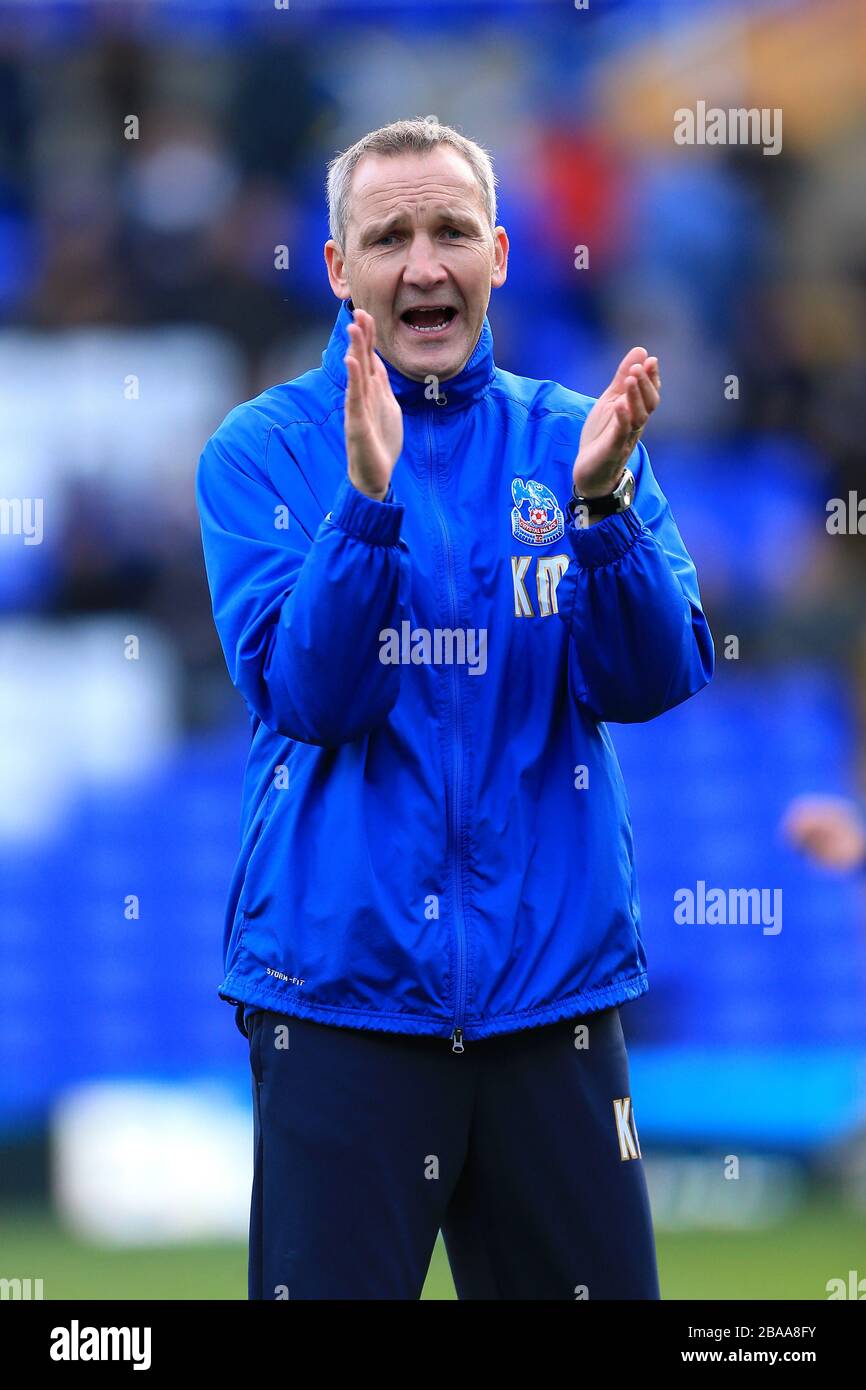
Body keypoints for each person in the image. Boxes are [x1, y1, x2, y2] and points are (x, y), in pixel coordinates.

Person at [196, 118, 714, 1301]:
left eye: (448, 233)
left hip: (553, 1008)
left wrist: (599, 513)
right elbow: (312, 695)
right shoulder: (263, 452)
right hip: (340, 1004)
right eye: (387, 237)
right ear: (337, 268)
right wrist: (368, 501)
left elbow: (653, 677)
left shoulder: (574, 439)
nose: (421, 265)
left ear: (498, 252)